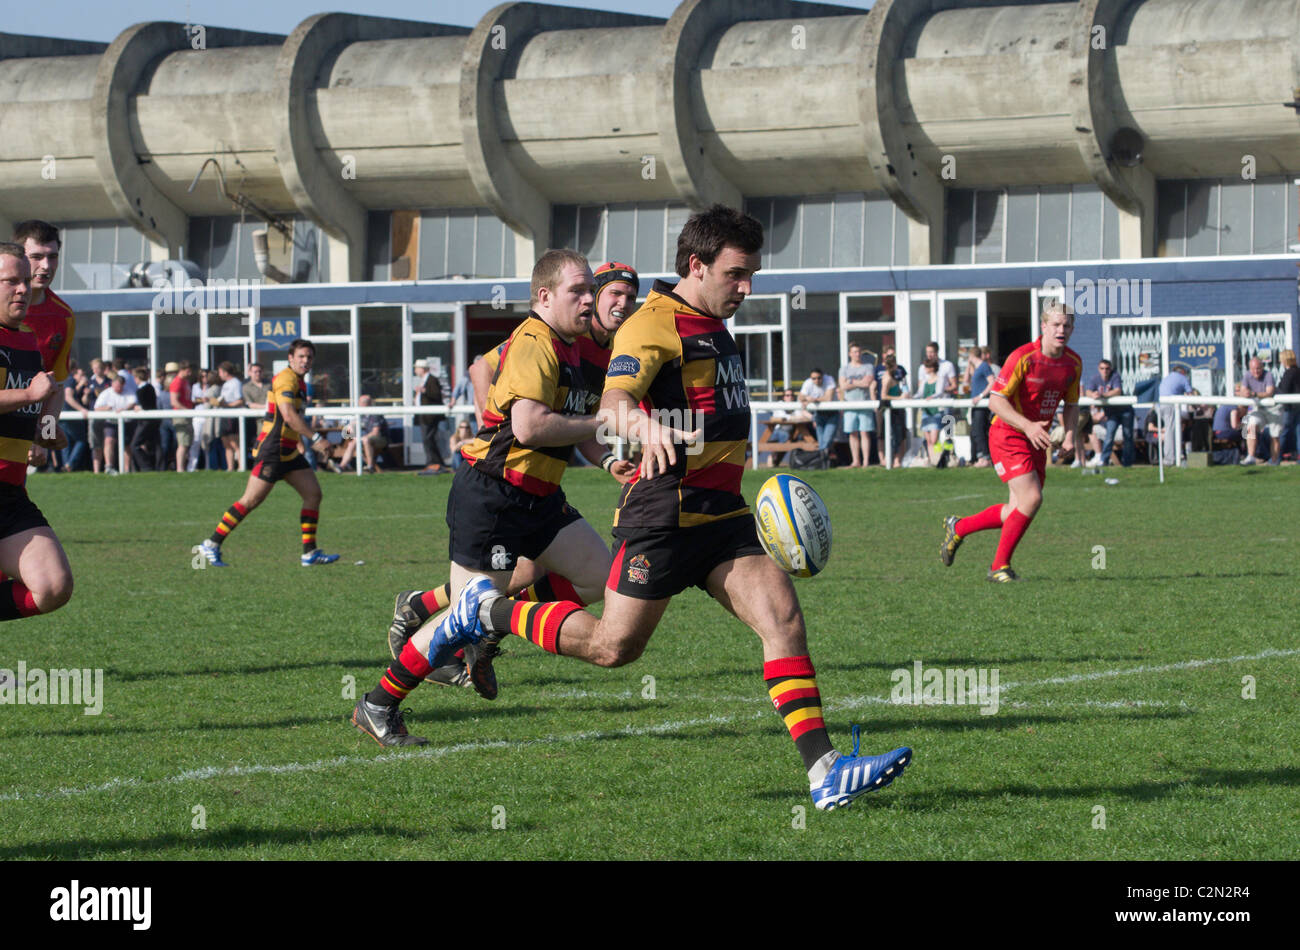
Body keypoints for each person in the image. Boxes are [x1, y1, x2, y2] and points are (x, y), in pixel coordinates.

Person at [388, 207, 912, 812]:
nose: (746, 288)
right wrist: (636, 422)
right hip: (662, 515)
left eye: (753, 275)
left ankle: (824, 771)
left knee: (783, 620)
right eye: (737, 274)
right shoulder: (652, 323)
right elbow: (615, 399)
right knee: (615, 647)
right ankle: (491, 612)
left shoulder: (712, 322)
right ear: (697, 265)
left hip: (722, 515)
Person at [353, 248, 618, 732]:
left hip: (540, 497)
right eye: (578, 290)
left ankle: (490, 629)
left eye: (591, 290)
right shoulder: (536, 342)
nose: (591, 299)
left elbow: (574, 431)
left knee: (600, 577)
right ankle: (378, 703)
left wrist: (615, 458)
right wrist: (606, 419)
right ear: (544, 296)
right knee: (465, 614)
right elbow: (532, 427)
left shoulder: (574, 345)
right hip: (495, 497)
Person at [941, 300, 1081, 582]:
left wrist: (1069, 436)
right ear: (1043, 326)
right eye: (1055, 324)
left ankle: (959, 527)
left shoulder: (1072, 362)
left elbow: (1072, 404)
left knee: (1018, 508)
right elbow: (995, 401)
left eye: (1066, 325)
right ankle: (999, 567)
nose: (1061, 330)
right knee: (1032, 498)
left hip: (1036, 439)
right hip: (1008, 434)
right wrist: (1028, 426)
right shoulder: (1023, 357)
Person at [198, 339, 340, 567]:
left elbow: (295, 418)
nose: (305, 361)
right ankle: (211, 544)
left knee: (313, 494)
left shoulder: (300, 382)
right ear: (291, 358)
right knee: (250, 501)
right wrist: (315, 439)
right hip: (273, 450)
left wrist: (300, 443)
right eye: (301, 356)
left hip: (289, 451)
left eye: (309, 357)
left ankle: (309, 553)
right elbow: (288, 416)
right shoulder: (285, 379)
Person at [0, 242, 73, 624]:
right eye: (11, 281)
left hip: (9, 492)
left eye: (25, 281)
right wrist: (30, 394)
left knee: (53, 586)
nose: (23, 289)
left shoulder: (28, 340)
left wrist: (46, 432)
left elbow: (31, 409)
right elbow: (28, 395)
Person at [13, 221, 75, 459]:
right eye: (36, 256)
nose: (46, 266)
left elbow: (55, 387)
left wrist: (45, 433)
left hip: (18, 446)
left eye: (53, 257)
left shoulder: (63, 316)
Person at [1083, 359, 1134, 467]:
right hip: (1111, 413)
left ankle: (1127, 463)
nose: (1105, 371)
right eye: (1102, 368)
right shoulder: (1095, 379)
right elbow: (1088, 391)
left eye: (1107, 368)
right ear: (1098, 369)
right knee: (1109, 436)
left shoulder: (1115, 376)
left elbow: (1117, 391)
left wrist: (1103, 395)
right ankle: (1104, 460)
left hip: (1125, 411)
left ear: (1110, 369)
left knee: (1128, 436)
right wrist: (1093, 395)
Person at [838, 342, 876, 467]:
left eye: (859, 351)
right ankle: (856, 461)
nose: (857, 354)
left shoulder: (868, 366)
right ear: (850, 354)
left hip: (864, 403)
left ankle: (865, 461)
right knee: (852, 433)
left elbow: (867, 383)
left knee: (865, 433)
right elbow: (842, 386)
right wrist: (859, 382)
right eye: (854, 352)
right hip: (849, 404)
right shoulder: (844, 369)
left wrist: (851, 381)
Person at [1237, 357, 1280, 465]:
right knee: (1249, 425)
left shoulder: (1268, 375)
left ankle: (1274, 461)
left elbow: (1270, 392)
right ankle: (1250, 456)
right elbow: (1242, 390)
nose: (1256, 371)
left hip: (1274, 408)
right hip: (1259, 408)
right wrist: (1245, 393)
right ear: (1249, 369)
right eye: (1253, 369)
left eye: (1258, 369)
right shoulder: (1247, 375)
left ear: (1262, 367)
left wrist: (1254, 394)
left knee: (1275, 435)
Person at [93, 372, 138, 474]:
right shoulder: (106, 393)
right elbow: (97, 408)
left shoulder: (128, 391)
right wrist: (107, 408)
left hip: (126, 422)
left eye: (120, 387)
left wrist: (125, 408)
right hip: (111, 422)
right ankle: (109, 466)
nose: (118, 389)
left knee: (127, 444)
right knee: (109, 440)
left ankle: (126, 469)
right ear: (112, 384)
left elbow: (133, 402)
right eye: (116, 386)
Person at [412, 358, 449, 475]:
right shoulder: (424, 379)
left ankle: (433, 463)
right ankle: (436, 463)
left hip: (430, 416)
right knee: (428, 439)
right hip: (424, 416)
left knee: (428, 439)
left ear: (422, 369)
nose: (415, 370)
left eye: (417, 368)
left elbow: (436, 395)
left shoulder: (432, 379)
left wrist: (423, 391)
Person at [876, 347, 909, 469]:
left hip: (897, 409)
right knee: (889, 435)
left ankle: (897, 460)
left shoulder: (896, 375)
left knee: (900, 435)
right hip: (888, 409)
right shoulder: (887, 378)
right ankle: (888, 460)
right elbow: (883, 396)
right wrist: (899, 398)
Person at [338, 394, 389, 473]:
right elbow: (349, 427)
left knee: (365, 440)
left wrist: (360, 438)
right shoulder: (362, 414)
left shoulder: (375, 414)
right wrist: (350, 431)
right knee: (352, 443)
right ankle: (341, 466)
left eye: (359, 403)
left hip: (382, 439)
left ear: (364, 404)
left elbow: (375, 432)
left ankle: (370, 466)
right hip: (368, 438)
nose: (358, 405)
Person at [1157, 364, 1196, 466]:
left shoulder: (1167, 377)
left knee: (1172, 430)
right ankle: (1169, 459)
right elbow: (1190, 395)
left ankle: (1176, 455)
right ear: (1182, 372)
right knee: (1171, 431)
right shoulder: (1182, 378)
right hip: (1169, 405)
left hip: (1160, 405)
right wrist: (1197, 407)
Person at [213, 361, 246, 471]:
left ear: (226, 372)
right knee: (226, 443)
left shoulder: (235, 383)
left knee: (235, 443)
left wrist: (227, 405)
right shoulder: (225, 384)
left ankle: (241, 466)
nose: (219, 374)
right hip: (224, 414)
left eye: (220, 372)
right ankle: (230, 468)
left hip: (232, 416)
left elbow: (240, 400)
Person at [799, 367, 838, 455]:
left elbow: (828, 398)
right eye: (814, 378)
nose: (816, 380)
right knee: (821, 440)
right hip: (818, 414)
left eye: (819, 378)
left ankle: (821, 459)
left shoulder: (829, 380)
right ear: (811, 378)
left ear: (823, 377)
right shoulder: (808, 382)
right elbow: (800, 397)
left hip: (832, 413)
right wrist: (807, 398)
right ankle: (823, 460)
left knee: (827, 438)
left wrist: (813, 399)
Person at [969, 347, 996, 468]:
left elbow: (992, 382)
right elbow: (966, 380)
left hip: (982, 403)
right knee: (975, 431)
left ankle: (986, 457)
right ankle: (981, 456)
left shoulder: (984, 366)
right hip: (976, 404)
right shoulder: (977, 368)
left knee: (979, 430)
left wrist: (981, 396)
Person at [129, 366, 160, 471]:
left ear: (137, 377)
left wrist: (139, 407)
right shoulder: (149, 387)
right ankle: (153, 466)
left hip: (146, 421)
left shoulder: (142, 389)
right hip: (152, 421)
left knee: (135, 445)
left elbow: (147, 405)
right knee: (152, 445)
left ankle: (146, 466)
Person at [168, 361, 196, 472]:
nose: (190, 373)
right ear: (182, 370)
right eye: (188, 370)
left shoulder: (185, 382)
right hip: (181, 416)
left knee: (187, 442)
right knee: (183, 442)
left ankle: (183, 467)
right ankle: (180, 468)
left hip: (187, 414)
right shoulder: (177, 382)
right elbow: (174, 401)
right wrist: (187, 410)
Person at [917, 357, 944, 464]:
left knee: (934, 439)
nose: (925, 368)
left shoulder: (939, 378)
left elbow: (939, 392)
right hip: (926, 411)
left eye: (927, 366)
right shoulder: (925, 380)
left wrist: (931, 397)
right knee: (928, 439)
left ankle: (937, 459)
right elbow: (920, 393)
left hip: (936, 411)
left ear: (932, 368)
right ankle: (932, 459)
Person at [1276, 349, 1300, 462]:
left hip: (1290, 408)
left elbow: (1283, 390)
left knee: (1283, 432)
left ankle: (1277, 456)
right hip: (1297, 406)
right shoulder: (1298, 371)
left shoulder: (1289, 373)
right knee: (1298, 431)